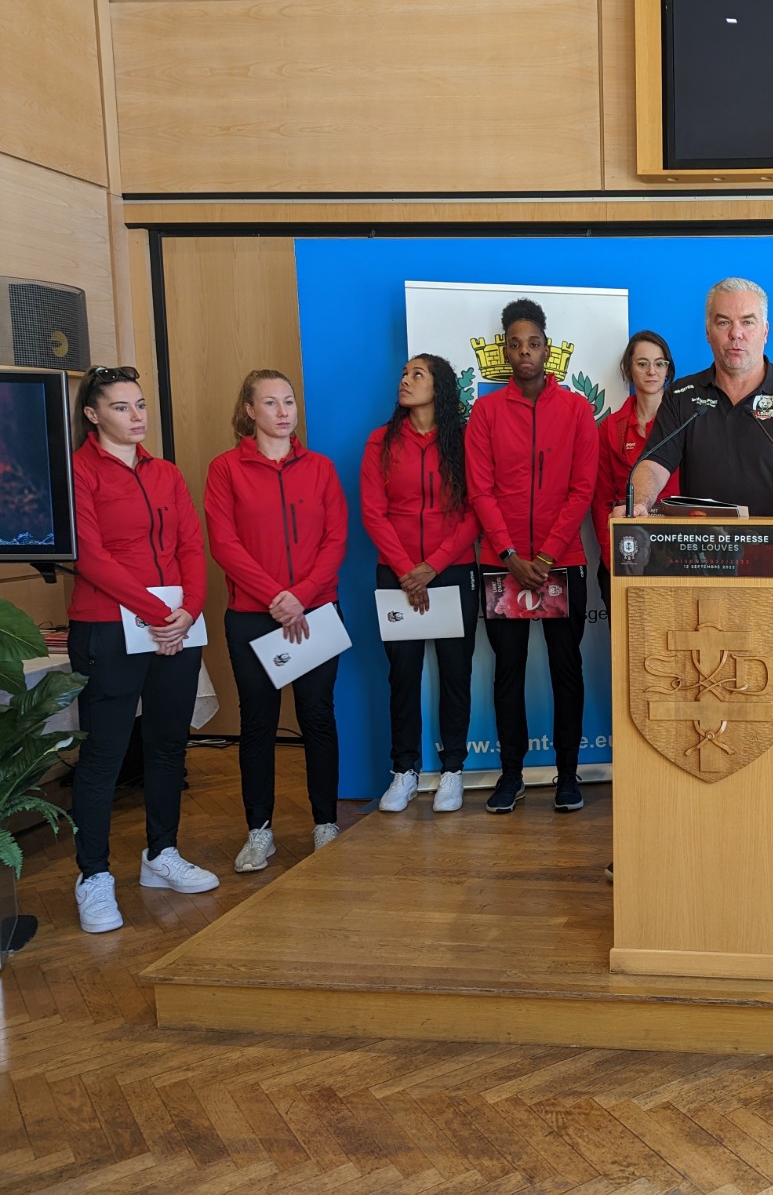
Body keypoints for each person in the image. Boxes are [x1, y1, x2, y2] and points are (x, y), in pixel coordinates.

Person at [65, 366, 215, 932]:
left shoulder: (166, 473)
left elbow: (191, 546)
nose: (137, 416)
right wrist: (159, 613)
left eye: (141, 404)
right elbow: (91, 557)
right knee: (103, 756)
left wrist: (188, 610)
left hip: (176, 626)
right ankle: (94, 876)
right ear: (92, 414)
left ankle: (161, 855)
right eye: (123, 407)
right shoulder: (78, 471)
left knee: (168, 748)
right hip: (108, 626)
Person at [205, 369, 348, 872]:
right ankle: (258, 830)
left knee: (317, 717)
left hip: (317, 613)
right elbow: (224, 543)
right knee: (258, 723)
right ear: (249, 410)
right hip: (252, 616)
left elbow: (335, 541)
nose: (284, 411)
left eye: (289, 401)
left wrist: (302, 596)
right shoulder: (225, 469)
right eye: (271, 402)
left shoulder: (322, 468)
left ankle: (325, 822)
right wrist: (275, 597)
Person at [466, 298, 599, 815]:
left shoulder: (575, 409)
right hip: (501, 563)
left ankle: (568, 776)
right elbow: (481, 490)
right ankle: (511, 775)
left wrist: (544, 554)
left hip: (562, 561)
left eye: (534, 343)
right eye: (516, 344)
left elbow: (582, 487)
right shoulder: (486, 410)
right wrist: (510, 554)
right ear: (506, 350)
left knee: (568, 669)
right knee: (508, 672)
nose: (525, 351)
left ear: (548, 348)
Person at [625, 277, 773, 545]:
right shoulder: (682, 395)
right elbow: (654, 465)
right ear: (707, 331)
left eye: (747, 321)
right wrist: (640, 502)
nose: (736, 333)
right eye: (723, 322)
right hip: (703, 555)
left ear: (765, 331)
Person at [360, 353, 479, 815]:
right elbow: (373, 511)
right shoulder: (380, 443)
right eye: (403, 373)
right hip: (396, 573)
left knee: (456, 674)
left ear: (440, 387)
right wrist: (407, 567)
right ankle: (404, 770)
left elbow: (474, 512)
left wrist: (432, 566)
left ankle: (453, 770)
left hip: (449, 572)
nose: (405, 381)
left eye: (417, 374)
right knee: (402, 676)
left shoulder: (464, 443)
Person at [592, 330, 679, 611]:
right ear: (629, 369)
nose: (652, 371)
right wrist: (612, 555)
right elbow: (601, 500)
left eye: (660, 363)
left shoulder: (686, 424)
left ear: (669, 370)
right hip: (625, 554)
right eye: (642, 363)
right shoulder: (610, 428)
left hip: (676, 555)